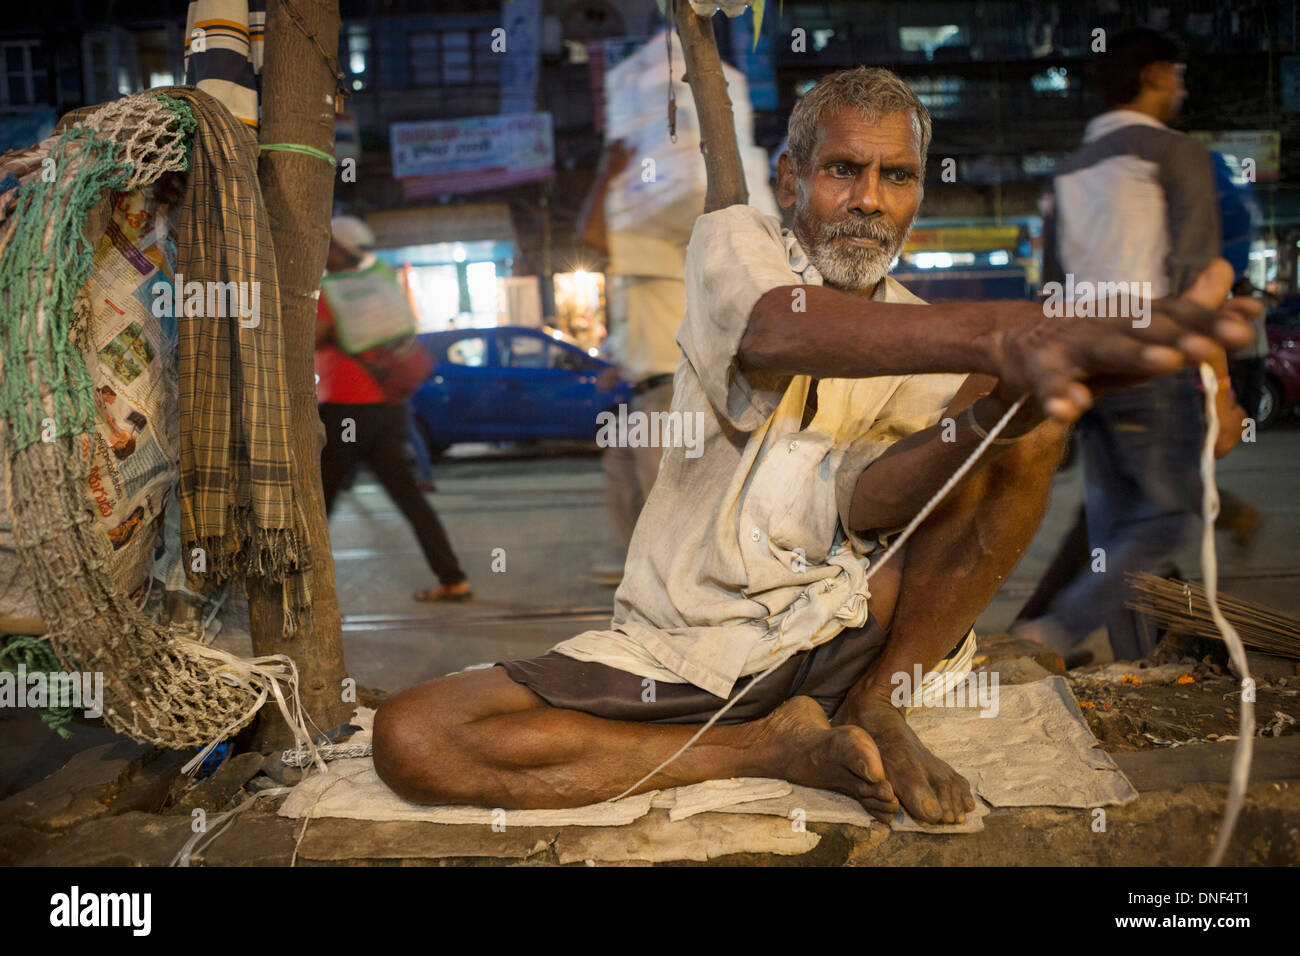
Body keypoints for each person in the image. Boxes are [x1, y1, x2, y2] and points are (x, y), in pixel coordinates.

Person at [370, 68, 1255, 824]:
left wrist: (1001, 412)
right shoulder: (734, 243)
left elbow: (864, 501)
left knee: (1028, 416)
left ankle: (883, 703)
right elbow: (778, 332)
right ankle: (765, 749)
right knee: (413, 738)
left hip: (845, 634)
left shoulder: (921, 331)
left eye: (897, 176)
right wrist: (1004, 331)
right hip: (692, 643)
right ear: (790, 178)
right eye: (844, 169)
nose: (870, 199)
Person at [1016, 29, 1249, 663]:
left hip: (1094, 364)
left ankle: (1134, 660)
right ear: (1152, 76)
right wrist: (1223, 393)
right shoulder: (1175, 154)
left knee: (1114, 525)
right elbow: (1199, 283)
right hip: (1153, 363)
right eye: (1176, 73)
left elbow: (1055, 289)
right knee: (1167, 518)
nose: (1182, 86)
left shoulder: (1068, 171)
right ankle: (1057, 630)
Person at [315, 216, 471, 602]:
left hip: (345, 410)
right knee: (410, 499)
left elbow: (311, 338)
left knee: (317, 504)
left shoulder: (333, 293)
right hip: (388, 408)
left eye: (327, 245)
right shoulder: (384, 284)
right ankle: (453, 578)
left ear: (339, 249)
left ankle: (310, 595)